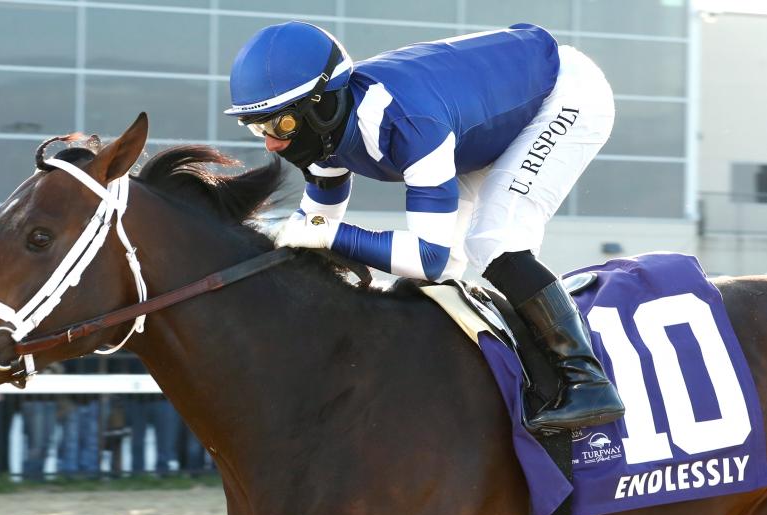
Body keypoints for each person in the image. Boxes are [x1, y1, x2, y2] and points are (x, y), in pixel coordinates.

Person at [225, 22, 624, 432]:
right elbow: (316, 227)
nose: (271, 143)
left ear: (321, 105)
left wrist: (323, 234)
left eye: (281, 125)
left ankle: (589, 381)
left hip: (564, 95)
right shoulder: (326, 135)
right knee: (449, 268)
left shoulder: (409, 125)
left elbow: (425, 257)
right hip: (479, 118)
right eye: (259, 127)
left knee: (493, 241)